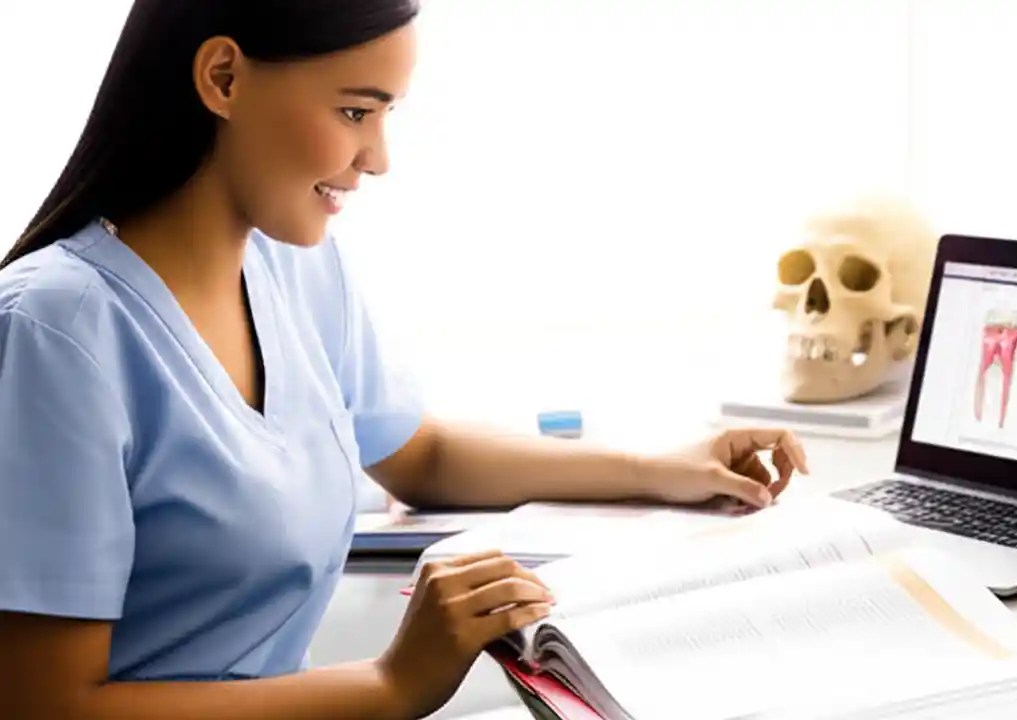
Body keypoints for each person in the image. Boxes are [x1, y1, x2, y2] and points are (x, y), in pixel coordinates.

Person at [0, 2, 810, 718]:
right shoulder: (56, 332)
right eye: (355, 111)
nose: (378, 156)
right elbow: (43, 705)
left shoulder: (292, 263)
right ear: (223, 77)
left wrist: (665, 468)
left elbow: (421, 456)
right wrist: (390, 686)